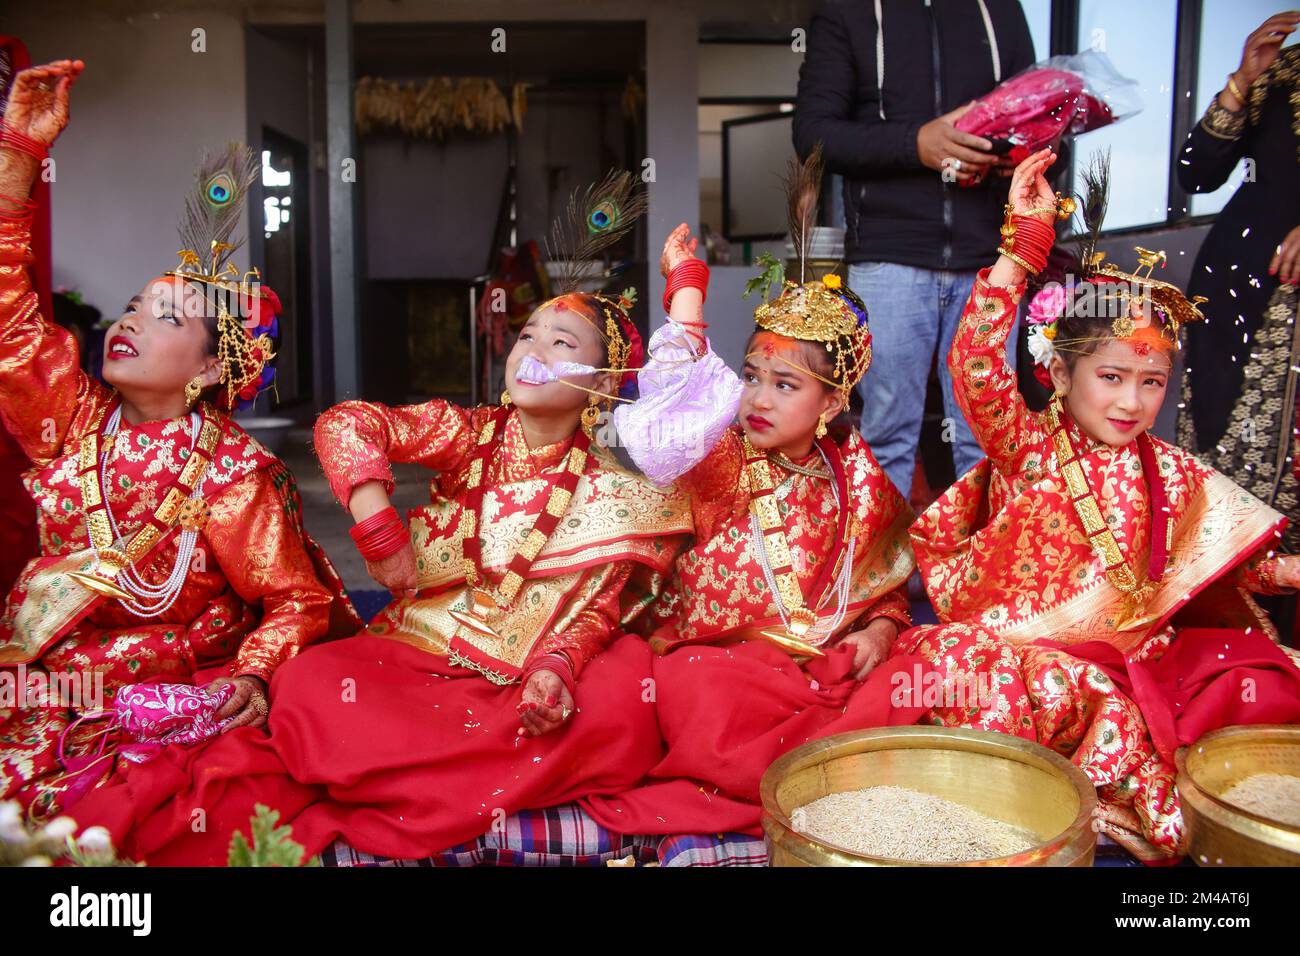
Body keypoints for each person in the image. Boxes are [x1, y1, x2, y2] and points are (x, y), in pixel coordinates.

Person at [71, 172, 698, 865]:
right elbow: (347, 424)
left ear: (604, 386)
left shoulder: (617, 495)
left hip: (522, 684)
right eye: (526, 335)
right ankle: (443, 786)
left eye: (561, 343)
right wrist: (377, 523)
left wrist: (554, 667)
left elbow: (596, 612)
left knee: (627, 702)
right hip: (413, 658)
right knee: (310, 688)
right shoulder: (466, 434)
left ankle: (418, 788)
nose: (532, 352)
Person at [579, 150, 1033, 839]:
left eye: (784, 385)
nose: (757, 398)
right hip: (721, 659)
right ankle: (812, 774)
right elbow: (673, 394)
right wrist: (688, 291)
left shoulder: (860, 483)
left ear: (831, 401)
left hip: (826, 664)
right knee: (693, 688)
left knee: (941, 667)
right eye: (753, 375)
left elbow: (885, 590)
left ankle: (824, 761)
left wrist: (880, 631)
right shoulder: (717, 456)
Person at [910, 147, 1300, 861]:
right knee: (981, 672)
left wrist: (1288, 573)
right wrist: (1021, 250)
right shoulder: (1027, 448)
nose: (1131, 401)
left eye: (1152, 382)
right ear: (1059, 372)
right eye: (1112, 376)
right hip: (1033, 657)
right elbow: (972, 367)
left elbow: (1222, 564)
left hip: (1136, 660)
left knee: (1255, 677)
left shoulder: (1170, 470)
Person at [0, 61, 357, 822]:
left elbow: (295, 602)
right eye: (131, 307)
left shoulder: (231, 472)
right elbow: (8, 322)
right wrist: (18, 158)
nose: (127, 321)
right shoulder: (71, 417)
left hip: (162, 687)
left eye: (163, 317)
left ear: (206, 370)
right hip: (41, 677)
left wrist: (254, 677)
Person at [792, 0, 1039, 499]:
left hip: (990, 259)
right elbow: (814, 134)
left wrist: (1018, 154)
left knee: (986, 437)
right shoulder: (848, 12)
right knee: (886, 435)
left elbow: (1036, 108)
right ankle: (882, 577)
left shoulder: (1000, 9)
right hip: (889, 254)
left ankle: (977, 576)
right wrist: (916, 143)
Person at [1175, 12, 1300, 552]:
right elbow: (1196, 172)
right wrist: (1243, 81)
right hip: (1237, 284)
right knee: (1216, 445)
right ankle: (1225, 619)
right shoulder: (1282, 72)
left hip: (1288, 309)